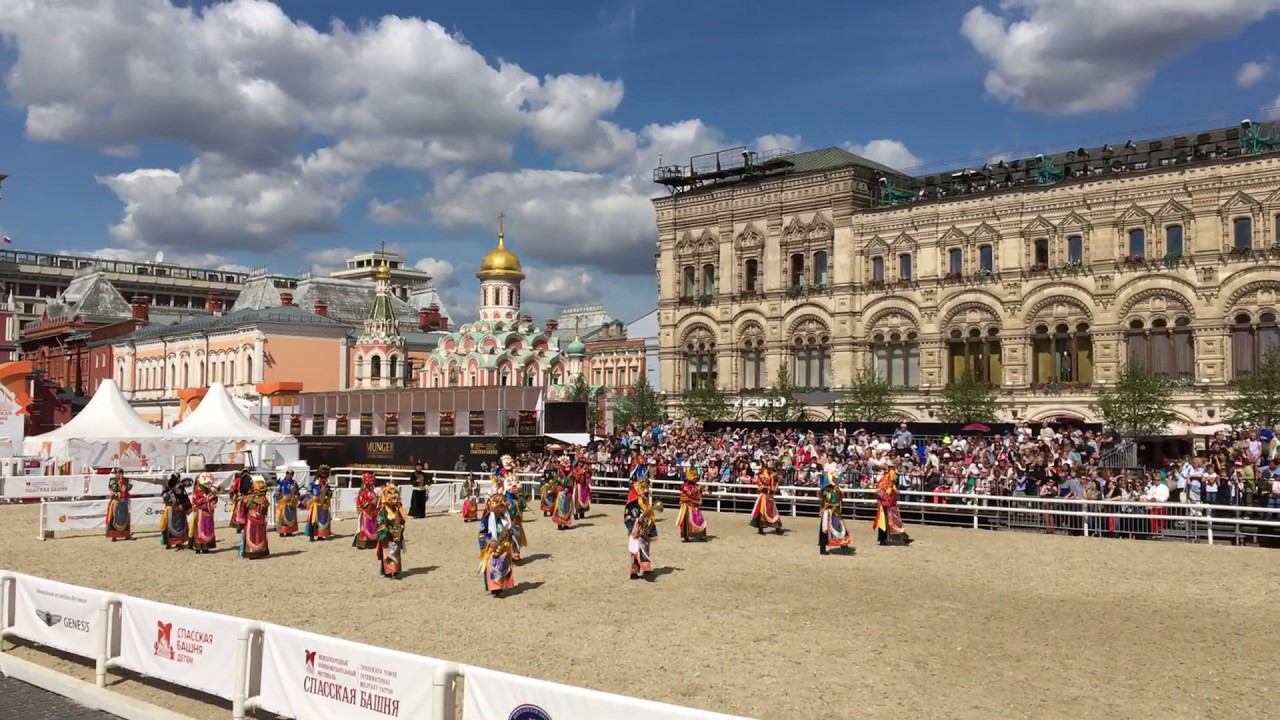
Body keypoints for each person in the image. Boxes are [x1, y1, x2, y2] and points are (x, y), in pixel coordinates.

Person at [478, 491, 515, 596]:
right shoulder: (487, 519)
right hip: (492, 547)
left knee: (503, 566)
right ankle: (494, 587)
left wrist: (509, 534)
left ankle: (500, 585)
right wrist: (488, 541)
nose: (502, 508)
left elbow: (509, 529)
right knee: (492, 567)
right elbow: (482, 534)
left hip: (503, 546)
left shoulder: (505, 518)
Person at [624, 476, 659, 579]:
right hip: (637, 529)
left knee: (644, 547)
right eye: (644, 489)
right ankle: (638, 570)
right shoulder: (633, 502)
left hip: (645, 529)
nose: (646, 491)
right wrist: (637, 522)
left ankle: (642, 569)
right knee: (636, 548)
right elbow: (628, 516)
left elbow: (650, 514)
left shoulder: (646, 501)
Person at [873, 465, 912, 546]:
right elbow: (879, 491)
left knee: (892, 521)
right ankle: (885, 539)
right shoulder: (885, 481)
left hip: (889, 504)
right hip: (886, 504)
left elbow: (880, 491)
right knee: (889, 521)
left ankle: (898, 538)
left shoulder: (887, 481)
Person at [376, 485, 408, 578]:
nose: (394, 497)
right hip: (387, 536)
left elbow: (402, 520)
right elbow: (379, 522)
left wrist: (400, 528)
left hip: (396, 535)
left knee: (396, 553)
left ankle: (396, 570)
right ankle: (389, 571)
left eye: (395, 494)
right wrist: (387, 530)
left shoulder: (398, 509)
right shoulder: (383, 511)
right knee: (388, 553)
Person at [819, 472, 853, 555]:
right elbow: (831, 502)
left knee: (835, 529)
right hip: (831, 512)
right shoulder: (830, 490)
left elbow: (824, 501)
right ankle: (843, 547)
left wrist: (822, 509)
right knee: (838, 529)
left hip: (831, 511)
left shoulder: (830, 489)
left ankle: (824, 548)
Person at [239, 477, 271, 559]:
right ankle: (260, 552)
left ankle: (252, 552)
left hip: (252, 520)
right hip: (259, 519)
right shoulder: (264, 499)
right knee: (258, 535)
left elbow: (243, 508)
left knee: (253, 535)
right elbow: (266, 509)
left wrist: (241, 520)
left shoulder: (248, 499)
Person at [749, 464, 783, 535]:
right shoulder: (763, 474)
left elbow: (775, 483)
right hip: (764, 495)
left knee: (773, 512)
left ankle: (777, 527)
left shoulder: (771, 475)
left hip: (769, 495)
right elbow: (763, 483)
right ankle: (762, 528)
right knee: (763, 512)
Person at [189, 474, 219, 553]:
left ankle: (206, 547)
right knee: (199, 530)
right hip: (201, 512)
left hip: (208, 513)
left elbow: (215, 500)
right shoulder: (198, 491)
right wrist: (206, 499)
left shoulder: (211, 490)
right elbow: (195, 501)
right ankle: (198, 547)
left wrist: (213, 497)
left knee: (208, 529)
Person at [676, 468, 707, 542]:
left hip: (695, 506)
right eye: (694, 478)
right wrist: (698, 489)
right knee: (687, 522)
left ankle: (701, 535)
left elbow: (699, 493)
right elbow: (690, 494)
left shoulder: (696, 485)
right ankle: (686, 537)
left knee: (699, 520)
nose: (696, 479)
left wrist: (701, 490)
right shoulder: (685, 486)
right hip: (688, 506)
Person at [159, 474, 190, 549]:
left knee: (179, 526)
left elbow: (184, 497)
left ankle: (178, 542)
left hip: (179, 509)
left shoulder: (181, 488)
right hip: (170, 509)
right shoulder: (168, 488)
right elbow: (165, 497)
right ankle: (168, 543)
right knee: (166, 526)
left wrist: (187, 507)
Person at [305, 466, 333, 541]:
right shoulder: (313, 483)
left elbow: (329, 493)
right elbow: (308, 493)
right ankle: (311, 536)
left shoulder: (326, 483)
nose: (325, 475)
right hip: (315, 504)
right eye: (323, 473)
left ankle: (320, 535)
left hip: (323, 504)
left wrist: (329, 493)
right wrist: (313, 497)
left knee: (322, 520)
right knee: (313, 520)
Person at [352, 472, 380, 550]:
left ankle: (372, 542)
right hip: (365, 513)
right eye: (370, 484)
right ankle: (363, 543)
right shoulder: (362, 492)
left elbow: (376, 502)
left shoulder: (373, 492)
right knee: (364, 527)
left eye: (372, 484)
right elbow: (360, 503)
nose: (372, 485)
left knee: (373, 527)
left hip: (373, 513)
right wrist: (369, 502)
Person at [105, 468, 132, 541]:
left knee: (126, 516)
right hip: (115, 501)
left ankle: (127, 534)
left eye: (121, 473)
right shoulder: (112, 480)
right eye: (118, 473)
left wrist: (122, 483)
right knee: (114, 517)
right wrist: (116, 493)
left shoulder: (126, 480)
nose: (119, 474)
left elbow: (128, 488)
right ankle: (114, 535)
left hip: (124, 500)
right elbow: (111, 489)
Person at [274, 469, 300, 537]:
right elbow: (277, 491)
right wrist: (279, 498)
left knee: (291, 517)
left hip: (291, 502)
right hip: (283, 502)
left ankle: (289, 531)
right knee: (282, 517)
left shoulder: (294, 483)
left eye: (291, 474)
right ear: (286, 474)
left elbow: (297, 492)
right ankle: (282, 532)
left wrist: (295, 496)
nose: (290, 475)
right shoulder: (281, 482)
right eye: (288, 474)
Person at [551, 464, 575, 530]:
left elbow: (572, 482)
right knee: (560, 509)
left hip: (568, 494)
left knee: (567, 509)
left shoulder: (571, 475)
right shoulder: (560, 474)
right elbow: (557, 482)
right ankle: (559, 524)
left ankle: (565, 523)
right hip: (562, 493)